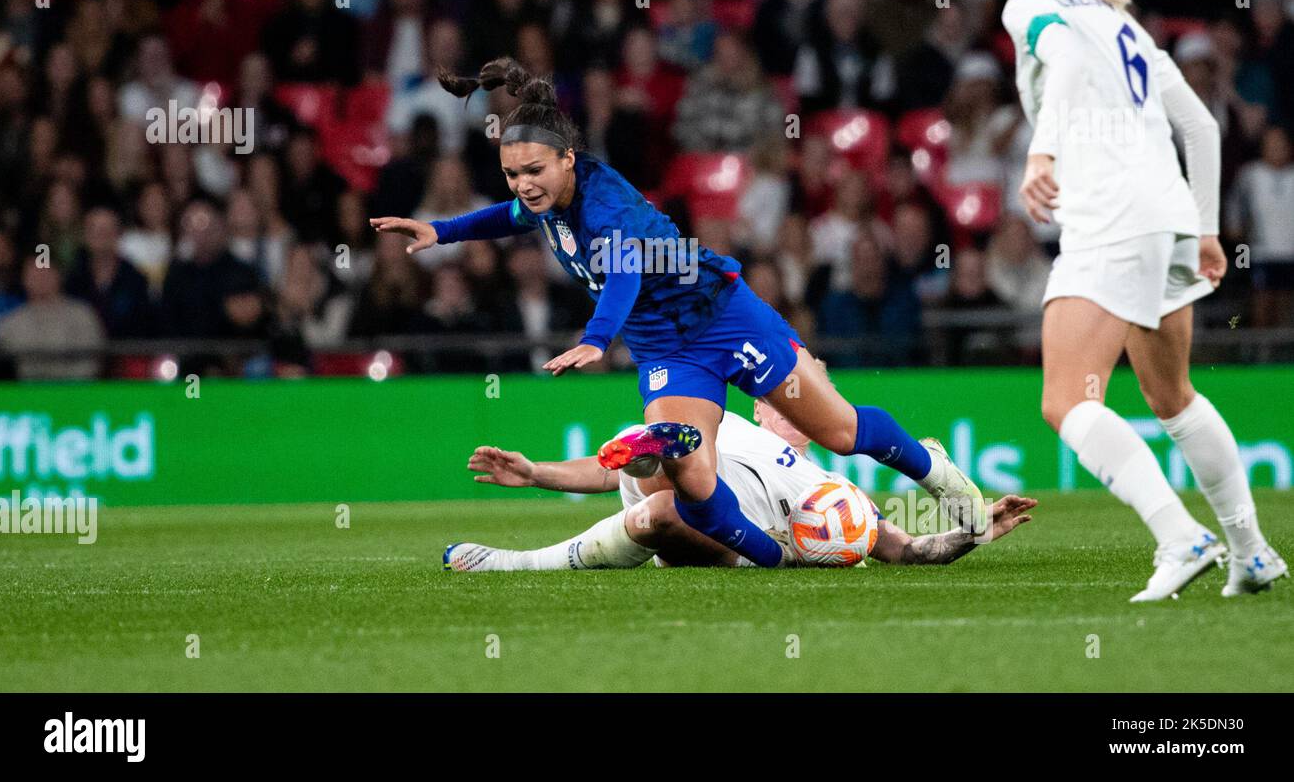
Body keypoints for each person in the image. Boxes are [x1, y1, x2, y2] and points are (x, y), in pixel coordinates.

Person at [372, 57, 985, 571]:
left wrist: (596, 338)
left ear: (568, 160)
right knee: (691, 476)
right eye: (511, 173)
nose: (523, 185)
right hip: (669, 352)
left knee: (841, 433)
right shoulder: (544, 199)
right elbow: (510, 217)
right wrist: (440, 230)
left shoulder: (604, 203)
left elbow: (627, 270)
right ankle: (769, 559)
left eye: (533, 171)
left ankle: (941, 478)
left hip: (725, 317)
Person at [1001, 0, 1286, 600]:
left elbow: (1060, 63)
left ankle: (1178, 535)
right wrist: (1205, 227)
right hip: (1164, 212)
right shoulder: (1121, 20)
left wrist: (1043, 154)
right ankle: (1250, 551)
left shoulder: (1030, 5)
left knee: (1067, 400)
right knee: (1172, 396)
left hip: (1110, 213)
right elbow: (1202, 127)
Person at [445, 398, 1036, 571]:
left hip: (717, 543)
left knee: (669, 514)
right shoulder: (724, 420)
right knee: (664, 452)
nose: (809, 406)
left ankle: (519, 562)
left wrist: (977, 532)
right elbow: (605, 469)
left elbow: (908, 550)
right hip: (669, 474)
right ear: (763, 408)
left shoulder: (831, 495)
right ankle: (658, 453)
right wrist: (537, 473)